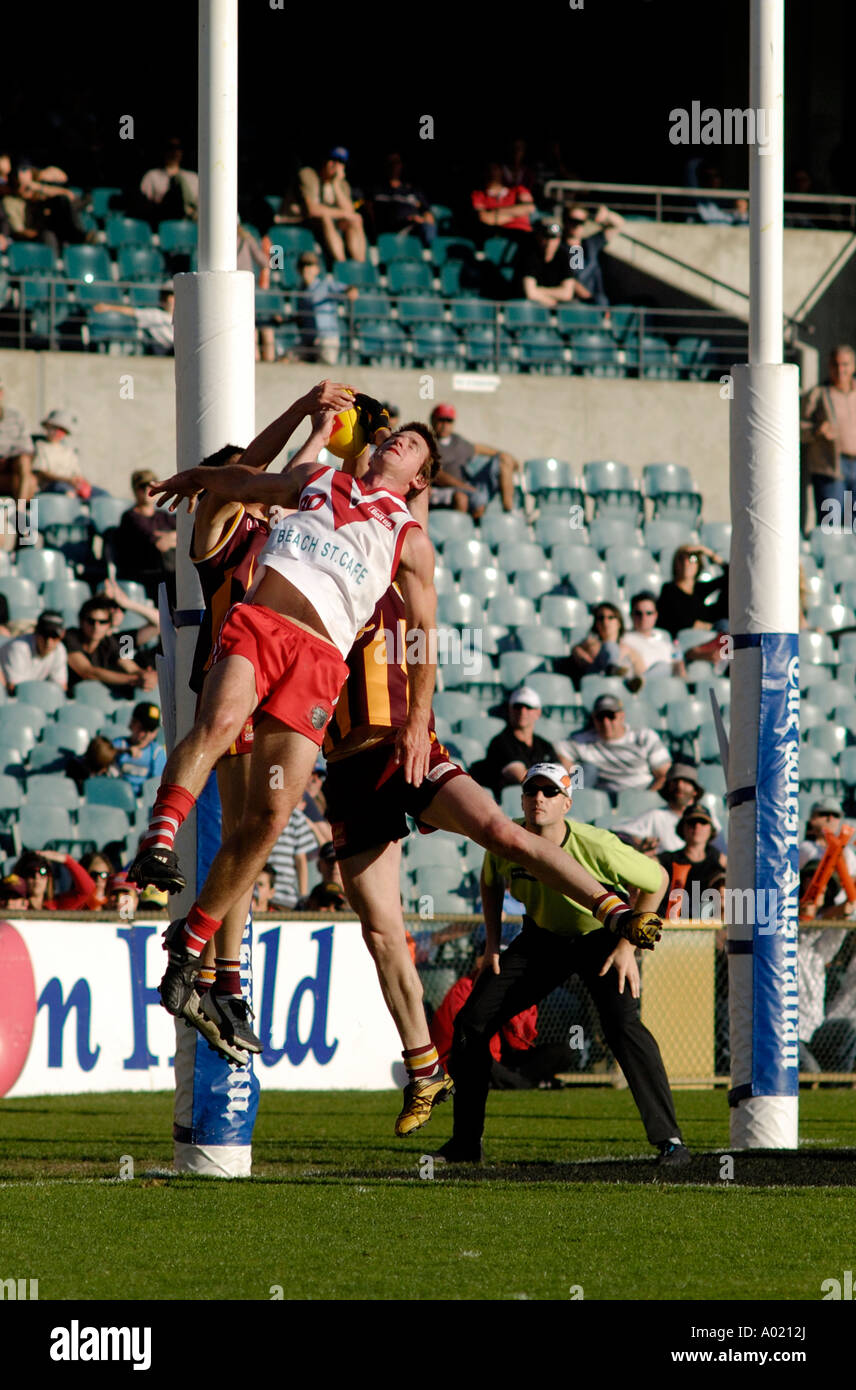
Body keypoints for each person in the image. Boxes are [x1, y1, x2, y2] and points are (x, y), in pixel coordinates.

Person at [128, 392, 442, 1055]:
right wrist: (207, 477)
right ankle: (173, 872)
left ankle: (205, 969)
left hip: (312, 664)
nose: (396, 444)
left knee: (267, 820)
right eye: (398, 439)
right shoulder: (257, 514)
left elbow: (423, 629)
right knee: (222, 762)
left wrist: (420, 718)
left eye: (411, 446)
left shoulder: (373, 528)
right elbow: (247, 478)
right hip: (253, 640)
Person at [435, 763, 687, 1165]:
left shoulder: (595, 844)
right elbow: (489, 880)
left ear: (566, 804)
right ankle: (466, 1143)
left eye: (550, 793)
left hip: (599, 939)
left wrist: (625, 949)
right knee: (471, 1023)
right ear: (521, 799)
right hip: (542, 939)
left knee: (623, 1027)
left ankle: (670, 1141)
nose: (539, 798)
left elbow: (657, 876)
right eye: (531, 791)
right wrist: (492, 947)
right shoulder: (506, 836)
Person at [565, 693, 671, 794]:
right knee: (584, 769)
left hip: (643, 793)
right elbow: (560, 752)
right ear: (594, 718)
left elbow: (664, 775)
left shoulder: (644, 737)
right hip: (603, 799)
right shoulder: (581, 741)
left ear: (621, 716)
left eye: (611, 716)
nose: (606, 723)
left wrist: (645, 799)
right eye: (600, 717)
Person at [428, 402, 521, 516]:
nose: (445, 425)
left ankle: (509, 510)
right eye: (441, 420)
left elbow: (477, 448)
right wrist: (463, 486)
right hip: (442, 490)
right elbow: (436, 475)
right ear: (433, 420)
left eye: (449, 421)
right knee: (462, 498)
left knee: (504, 459)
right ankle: (461, 531)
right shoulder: (428, 443)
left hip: (466, 487)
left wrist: (508, 458)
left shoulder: (458, 442)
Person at [800, 345, 856, 527]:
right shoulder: (818, 395)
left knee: (853, 526)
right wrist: (817, 430)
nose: (841, 370)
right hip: (831, 467)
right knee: (831, 523)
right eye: (836, 365)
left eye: (845, 364)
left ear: (853, 366)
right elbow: (797, 427)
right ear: (829, 366)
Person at [480, 685, 567, 798]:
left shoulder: (544, 745)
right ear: (510, 709)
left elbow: (561, 778)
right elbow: (520, 776)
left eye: (528, 707)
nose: (522, 711)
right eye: (518, 706)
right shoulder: (500, 742)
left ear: (538, 712)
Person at [64, 596, 158, 697]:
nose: (96, 627)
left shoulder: (115, 640)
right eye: (91, 621)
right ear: (81, 621)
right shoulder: (71, 636)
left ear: (109, 624)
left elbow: (160, 623)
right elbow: (88, 671)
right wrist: (134, 679)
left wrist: (148, 676)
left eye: (102, 622)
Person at [615, 761, 714, 853]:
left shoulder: (707, 818)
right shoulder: (656, 816)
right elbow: (620, 834)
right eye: (675, 782)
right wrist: (638, 843)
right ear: (667, 788)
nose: (679, 786)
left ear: (695, 791)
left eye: (686, 782)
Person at [116, 468, 177, 603]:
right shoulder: (130, 517)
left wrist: (170, 537)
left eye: (151, 486)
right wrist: (175, 536)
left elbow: (187, 535)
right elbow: (158, 544)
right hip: (145, 572)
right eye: (141, 487)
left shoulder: (163, 517)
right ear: (135, 490)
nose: (146, 491)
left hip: (166, 573)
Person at [297, 148, 366, 264]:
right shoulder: (309, 175)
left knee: (356, 220)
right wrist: (342, 213)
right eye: (332, 160)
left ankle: (359, 266)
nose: (335, 166)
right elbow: (312, 210)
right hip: (300, 221)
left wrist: (336, 184)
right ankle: (341, 264)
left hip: (332, 226)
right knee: (326, 217)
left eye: (340, 163)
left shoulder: (342, 183)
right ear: (324, 160)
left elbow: (350, 212)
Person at [657, 805, 726, 918]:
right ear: (682, 827)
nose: (697, 827)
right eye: (692, 822)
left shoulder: (719, 860)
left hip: (709, 925)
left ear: (711, 829)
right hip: (672, 925)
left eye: (702, 822)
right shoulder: (667, 860)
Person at [656, 543, 729, 642]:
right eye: (681, 559)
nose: (686, 563)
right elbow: (680, 621)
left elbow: (730, 577)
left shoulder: (698, 589)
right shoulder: (668, 589)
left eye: (692, 559)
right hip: (683, 643)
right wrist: (705, 626)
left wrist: (709, 554)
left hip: (706, 640)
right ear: (675, 564)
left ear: (698, 565)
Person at [294, 252, 357, 365]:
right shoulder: (300, 292)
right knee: (289, 360)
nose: (306, 268)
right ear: (298, 269)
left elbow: (347, 288)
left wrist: (351, 290)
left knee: (325, 373)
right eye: (303, 265)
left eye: (310, 265)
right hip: (307, 339)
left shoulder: (326, 285)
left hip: (327, 338)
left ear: (317, 269)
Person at [564, 602, 646, 689]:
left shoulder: (630, 650)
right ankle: (613, 668)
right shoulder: (588, 644)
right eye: (601, 618)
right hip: (598, 681)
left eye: (610, 617)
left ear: (618, 623)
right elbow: (581, 660)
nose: (605, 622)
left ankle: (623, 676)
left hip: (623, 688)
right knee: (610, 645)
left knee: (660, 667)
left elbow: (641, 672)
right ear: (596, 624)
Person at [559, 204, 624, 306]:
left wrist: (606, 215)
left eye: (581, 222)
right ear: (564, 221)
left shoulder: (591, 243)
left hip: (596, 302)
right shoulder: (556, 246)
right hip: (570, 304)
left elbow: (618, 224)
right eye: (573, 221)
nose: (577, 225)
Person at [31, 409, 102, 499]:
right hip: (52, 487)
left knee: (102, 495)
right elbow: (40, 472)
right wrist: (67, 480)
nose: (57, 432)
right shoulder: (40, 446)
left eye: (61, 430)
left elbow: (77, 473)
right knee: (68, 493)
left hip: (72, 485)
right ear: (47, 427)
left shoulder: (68, 451)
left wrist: (82, 483)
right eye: (54, 428)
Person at [369, 153, 435, 247]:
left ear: (402, 165)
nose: (394, 166)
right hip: (389, 232)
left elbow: (428, 214)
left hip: (414, 230)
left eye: (397, 162)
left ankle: (431, 254)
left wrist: (422, 220)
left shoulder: (413, 190)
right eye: (390, 163)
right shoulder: (376, 190)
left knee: (428, 228)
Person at [0, 608, 67, 694]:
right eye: (45, 635)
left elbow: (60, 688)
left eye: (54, 636)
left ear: (62, 635)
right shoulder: (19, 647)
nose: (49, 642)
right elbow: (15, 689)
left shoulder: (60, 650)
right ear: (36, 631)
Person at [620, 591, 685, 679]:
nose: (644, 618)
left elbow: (679, 670)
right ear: (631, 615)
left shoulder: (666, 644)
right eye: (638, 613)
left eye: (649, 613)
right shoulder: (624, 639)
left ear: (655, 615)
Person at [92, 288, 175, 356]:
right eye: (168, 298)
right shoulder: (155, 314)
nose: (171, 301)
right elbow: (133, 312)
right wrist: (108, 307)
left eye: (173, 299)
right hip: (166, 350)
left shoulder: (183, 316)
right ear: (163, 301)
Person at [9, 849, 98, 911]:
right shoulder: (13, 904)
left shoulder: (57, 906)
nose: (37, 877)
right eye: (30, 872)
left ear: (49, 877)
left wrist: (66, 859)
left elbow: (88, 889)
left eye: (43, 872)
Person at [267, 808, 319, 910]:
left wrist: (303, 896)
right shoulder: (255, 811)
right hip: (258, 894)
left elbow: (301, 860)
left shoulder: (296, 816)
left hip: (287, 897)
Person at [518, 218, 578, 307]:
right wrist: (550, 301)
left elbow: (567, 294)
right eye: (546, 237)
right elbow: (530, 293)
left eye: (554, 238)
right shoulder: (530, 255)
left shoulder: (565, 255)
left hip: (556, 305)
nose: (550, 243)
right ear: (539, 237)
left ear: (559, 240)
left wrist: (540, 290)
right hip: (535, 305)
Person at [139, 139, 199, 223]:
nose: (173, 152)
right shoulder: (152, 175)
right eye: (170, 148)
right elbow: (145, 206)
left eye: (177, 148)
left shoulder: (193, 178)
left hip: (189, 224)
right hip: (161, 223)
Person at [471, 162, 534, 240]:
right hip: (496, 236)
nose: (492, 173)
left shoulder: (518, 190)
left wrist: (494, 212)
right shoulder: (478, 194)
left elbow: (529, 208)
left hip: (523, 234)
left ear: (501, 172)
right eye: (488, 170)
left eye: (495, 169)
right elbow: (484, 217)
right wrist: (516, 213)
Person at [113, 702, 166, 794]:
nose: (146, 735)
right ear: (132, 723)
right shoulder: (119, 745)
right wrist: (125, 751)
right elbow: (102, 753)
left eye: (151, 730)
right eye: (142, 728)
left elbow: (155, 786)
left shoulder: (157, 753)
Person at [0, 376, 35, 502]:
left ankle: (20, 513)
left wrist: (8, 456)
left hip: (11, 463)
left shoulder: (15, 417)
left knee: (25, 465)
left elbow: (26, 446)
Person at [299, 839, 348, 911]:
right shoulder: (305, 903)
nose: (335, 866)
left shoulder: (357, 903)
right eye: (330, 860)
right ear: (319, 865)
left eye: (340, 861)